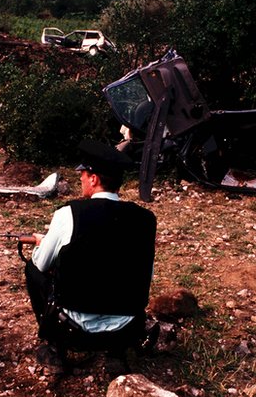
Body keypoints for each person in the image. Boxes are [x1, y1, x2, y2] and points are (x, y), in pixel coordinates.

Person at [24, 139, 157, 366]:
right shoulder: (146, 219)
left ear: (94, 179)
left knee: (32, 269)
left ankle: (55, 347)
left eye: (83, 174)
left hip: (74, 331)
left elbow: (42, 264)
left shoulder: (68, 214)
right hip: (126, 329)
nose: (81, 178)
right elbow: (147, 275)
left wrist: (41, 243)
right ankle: (116, 353)